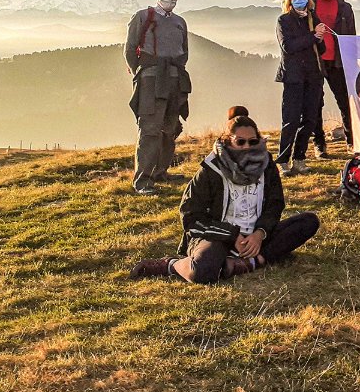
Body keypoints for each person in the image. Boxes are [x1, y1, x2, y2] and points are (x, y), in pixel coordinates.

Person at [130, 112, 320, 283]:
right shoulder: (210, 170)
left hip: (254, 237)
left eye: (253, 142)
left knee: (308, 222)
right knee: (203, 272)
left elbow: (275, 204)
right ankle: (170, 265)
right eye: (240, 142)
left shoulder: (267, 165)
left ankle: (248, 262)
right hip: (218, 237)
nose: (247, 147)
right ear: (228, 141)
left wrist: (259, 234)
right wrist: (232, 235)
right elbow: (191, 217)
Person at [125, 0, 191, 194]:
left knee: (170, 128)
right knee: (150, 129)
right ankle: (142, 180)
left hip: (175, 80)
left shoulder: (180, 22)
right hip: (152, 79)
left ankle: (160, 172)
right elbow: (129, 49)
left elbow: (184, 51)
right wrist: (140, 73)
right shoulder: (143, 17)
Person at [275, 0, 325, 175]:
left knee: (310, 118)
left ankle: (299, 158)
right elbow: (288, 47)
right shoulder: (283, 21)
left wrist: (319, 39)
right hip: (293, 77)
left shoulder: (313, 18)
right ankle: (283, 159)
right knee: (291, 119)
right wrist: (313, 36)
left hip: (313, 76)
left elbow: (321, 49)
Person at [311, 0, 356, 157]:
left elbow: (351, 36)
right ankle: (319, 144)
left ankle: (352, 141)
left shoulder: (345, 7)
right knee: (315, 104)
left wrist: (352, 60)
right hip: (315, 61)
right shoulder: (310, 5)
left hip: (338, 62)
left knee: (345, 102)